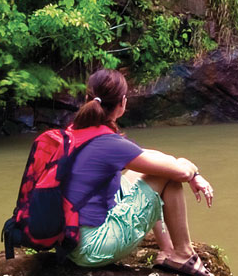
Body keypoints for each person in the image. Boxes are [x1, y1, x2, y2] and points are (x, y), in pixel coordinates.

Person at [61, 69, 217, 276]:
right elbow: (178, 173)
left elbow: (148, 156)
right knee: (167, 176)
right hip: (92, 249)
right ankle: (183, 253)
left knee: (147, 174)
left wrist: (188, 171)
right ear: (122, 103)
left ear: (88, 99)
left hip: (69, 242)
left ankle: (169, 250)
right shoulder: (109, 143)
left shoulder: (74, 132)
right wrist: (192, 169)